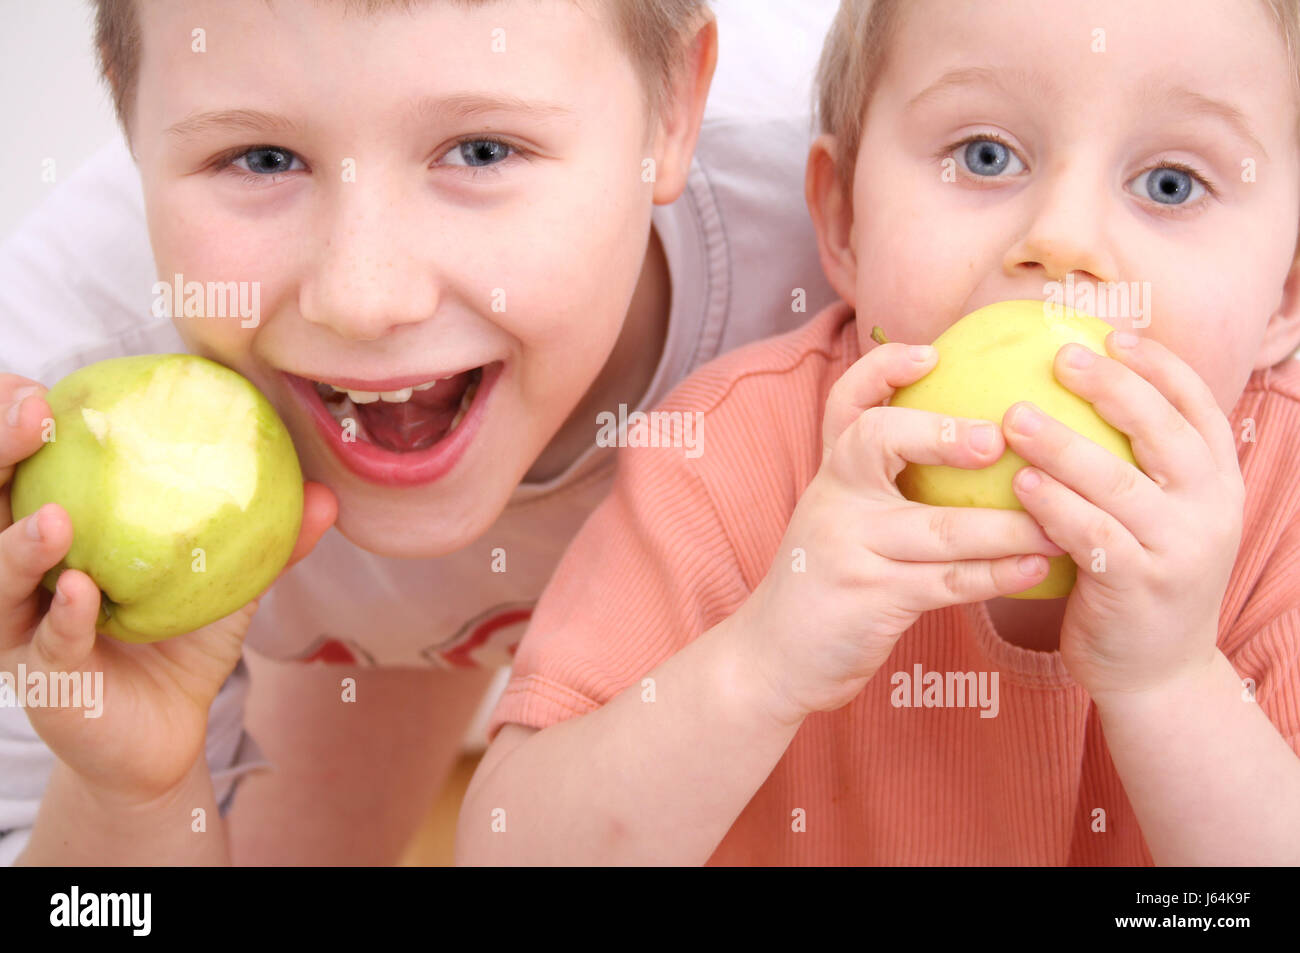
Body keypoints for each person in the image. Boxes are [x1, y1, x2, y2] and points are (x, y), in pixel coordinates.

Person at [461, 0, 1300, 865]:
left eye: (1171, 183)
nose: (1063, 241)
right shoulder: (723, 458)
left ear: (1285, 291)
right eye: (986, 156)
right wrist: (762, 665)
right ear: (845, 222)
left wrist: (1170, 683)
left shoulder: (1284, 507)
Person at [0, 0, 837, 864]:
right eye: (262, 160)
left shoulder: (868, 214)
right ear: (127, 118)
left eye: (482, 151)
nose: (366, 300)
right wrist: (128, 793)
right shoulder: (47, 402)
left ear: (670, 112)